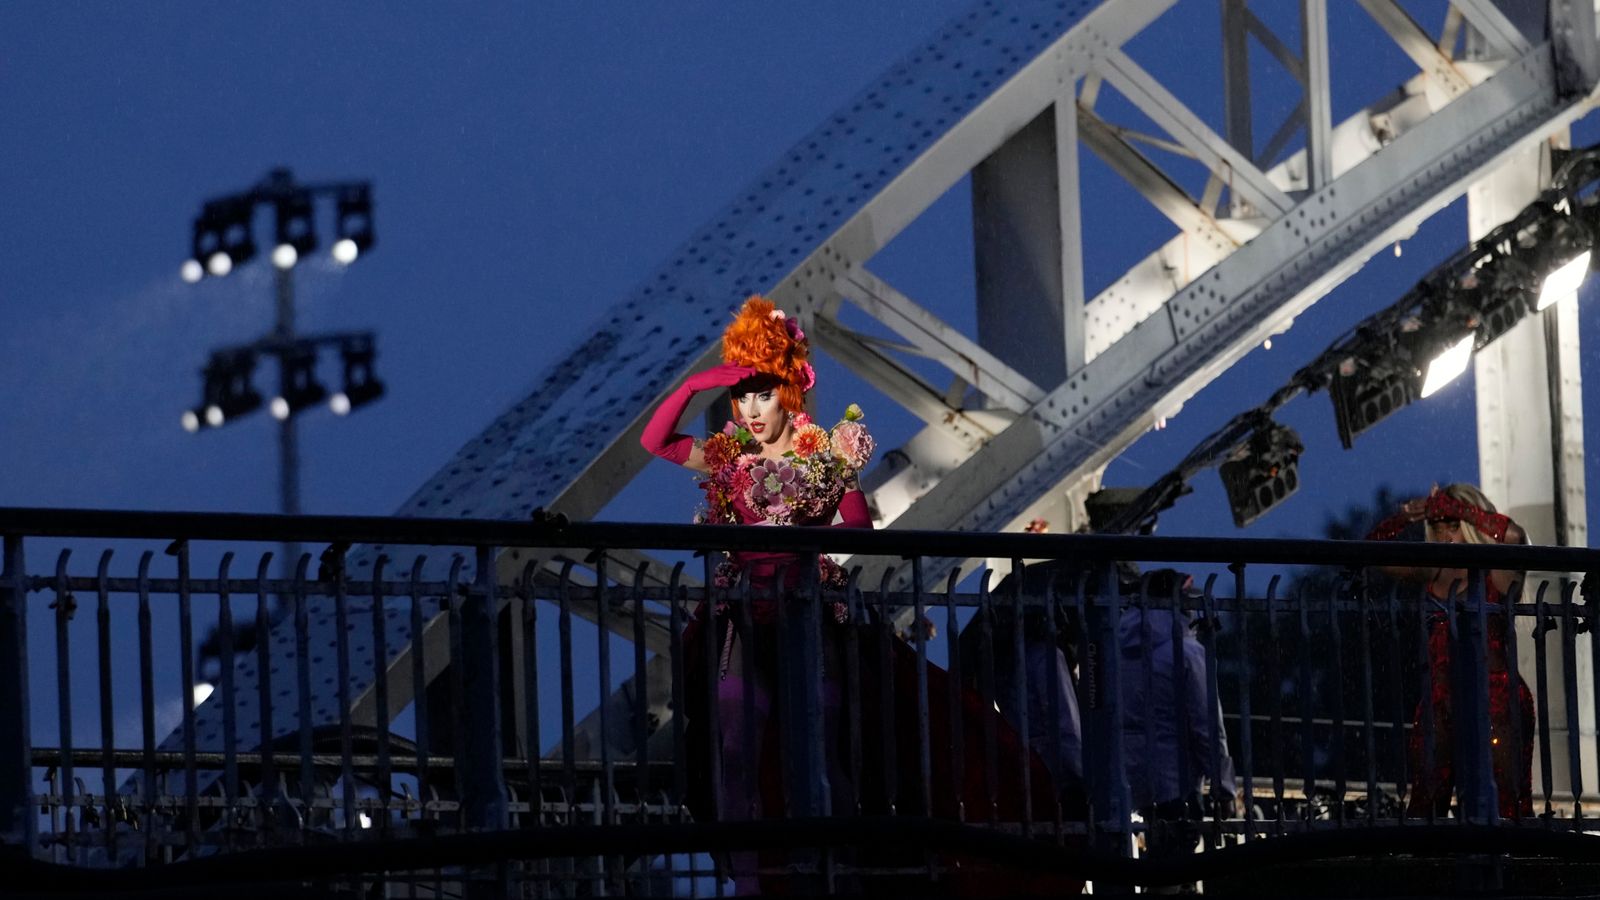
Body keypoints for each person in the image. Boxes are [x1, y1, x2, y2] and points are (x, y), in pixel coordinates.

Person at [641, 296, 1068, 895]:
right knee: (738, 728)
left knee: (823, 726)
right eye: (742, 397)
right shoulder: (729, 455)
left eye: (763, 394)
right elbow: (655, 440)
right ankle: (754, 873)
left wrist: (795, 536)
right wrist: (699, 384)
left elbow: (859, 530)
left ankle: (833, 863)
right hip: (744, 613)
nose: (751, 409)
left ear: (787, 392)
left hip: (811, 611)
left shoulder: (823, 455)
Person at [1365, 483, 1533, 819]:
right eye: (1438, 525)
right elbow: (1372, 552)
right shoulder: (1433, 569)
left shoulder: (1496, 570)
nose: (1445, 534)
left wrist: (1459, 508)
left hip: (1496, 700)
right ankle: (1432, 870)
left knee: (1506, 805)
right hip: (1440, 701)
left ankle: (1509, 868)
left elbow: (1514, 535)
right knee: (1426, 804)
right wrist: (1404, 517)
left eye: (1453, 526)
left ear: (1471, 527)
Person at [1117, 569, 1237, 886]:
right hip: (1177, 781)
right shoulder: (1185, 652)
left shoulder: (1119, 649)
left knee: (1151, 864)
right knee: (1178, 866)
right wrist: (1223, 786)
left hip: (1133, 780)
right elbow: (1206, 725)